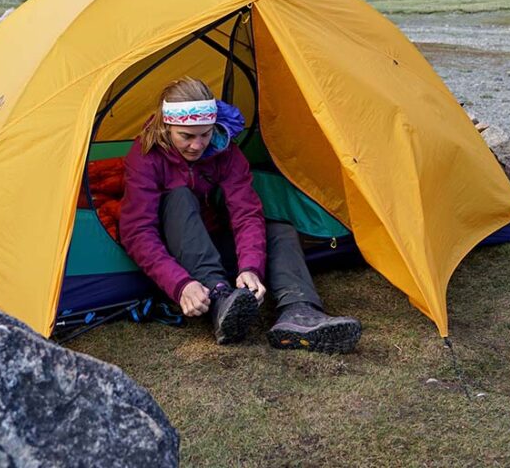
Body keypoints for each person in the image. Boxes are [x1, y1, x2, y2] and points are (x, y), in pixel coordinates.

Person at [118, 76, 361, 353]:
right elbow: (137, 231)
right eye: (186, 136)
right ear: (166, 127)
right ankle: (219, 297)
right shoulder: (146, 156)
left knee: (280, 230)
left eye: (205, 134)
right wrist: (180, 284)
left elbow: (246, 212)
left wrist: (250, 267)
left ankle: (300, 311)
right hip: (178, 252)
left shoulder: (224, 149)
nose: (197, 145)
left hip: (215, 239)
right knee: (179, 197)